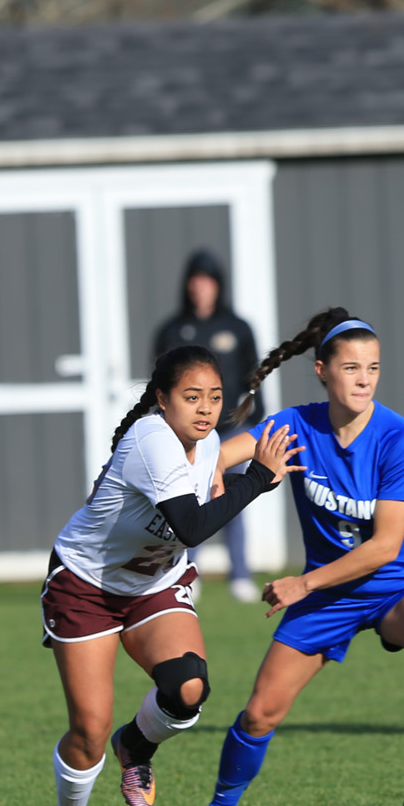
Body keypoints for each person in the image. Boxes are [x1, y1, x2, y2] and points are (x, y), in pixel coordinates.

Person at [185, 307, 404, 806]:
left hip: (400, 581)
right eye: (351, 367)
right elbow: (220, 454)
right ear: (322, 371)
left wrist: (301, 583)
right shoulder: (294, 426)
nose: (364, 379)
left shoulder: (399, 438)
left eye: (373, 368)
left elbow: (384, 548)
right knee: (262, 711)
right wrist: (215, 478)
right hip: (331, 595)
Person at [42, 345, 301, 806]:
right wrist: (258, 479)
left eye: (214, 397)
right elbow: (189, 527)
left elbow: (230, 466)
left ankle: (135, 746)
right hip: (86, 587)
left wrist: (251, 466)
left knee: (188, 690)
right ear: (162, 399)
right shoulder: (151, 440)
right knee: (88, 731)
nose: (205, 409)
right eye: (191, 397)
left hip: (153, 587)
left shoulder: (205, 444)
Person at [154, 249, 265, 603]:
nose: (202, 289)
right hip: (186, 432)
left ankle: (240, 573)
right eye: (196, 282)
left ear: (218, 286)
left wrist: (257, 417)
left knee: (231, 493)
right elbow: (158, 380)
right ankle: (188, 570)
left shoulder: (237, 328)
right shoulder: (173, 330)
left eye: (208, 282)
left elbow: (254, 374)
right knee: (189, 498)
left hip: (231, 426)